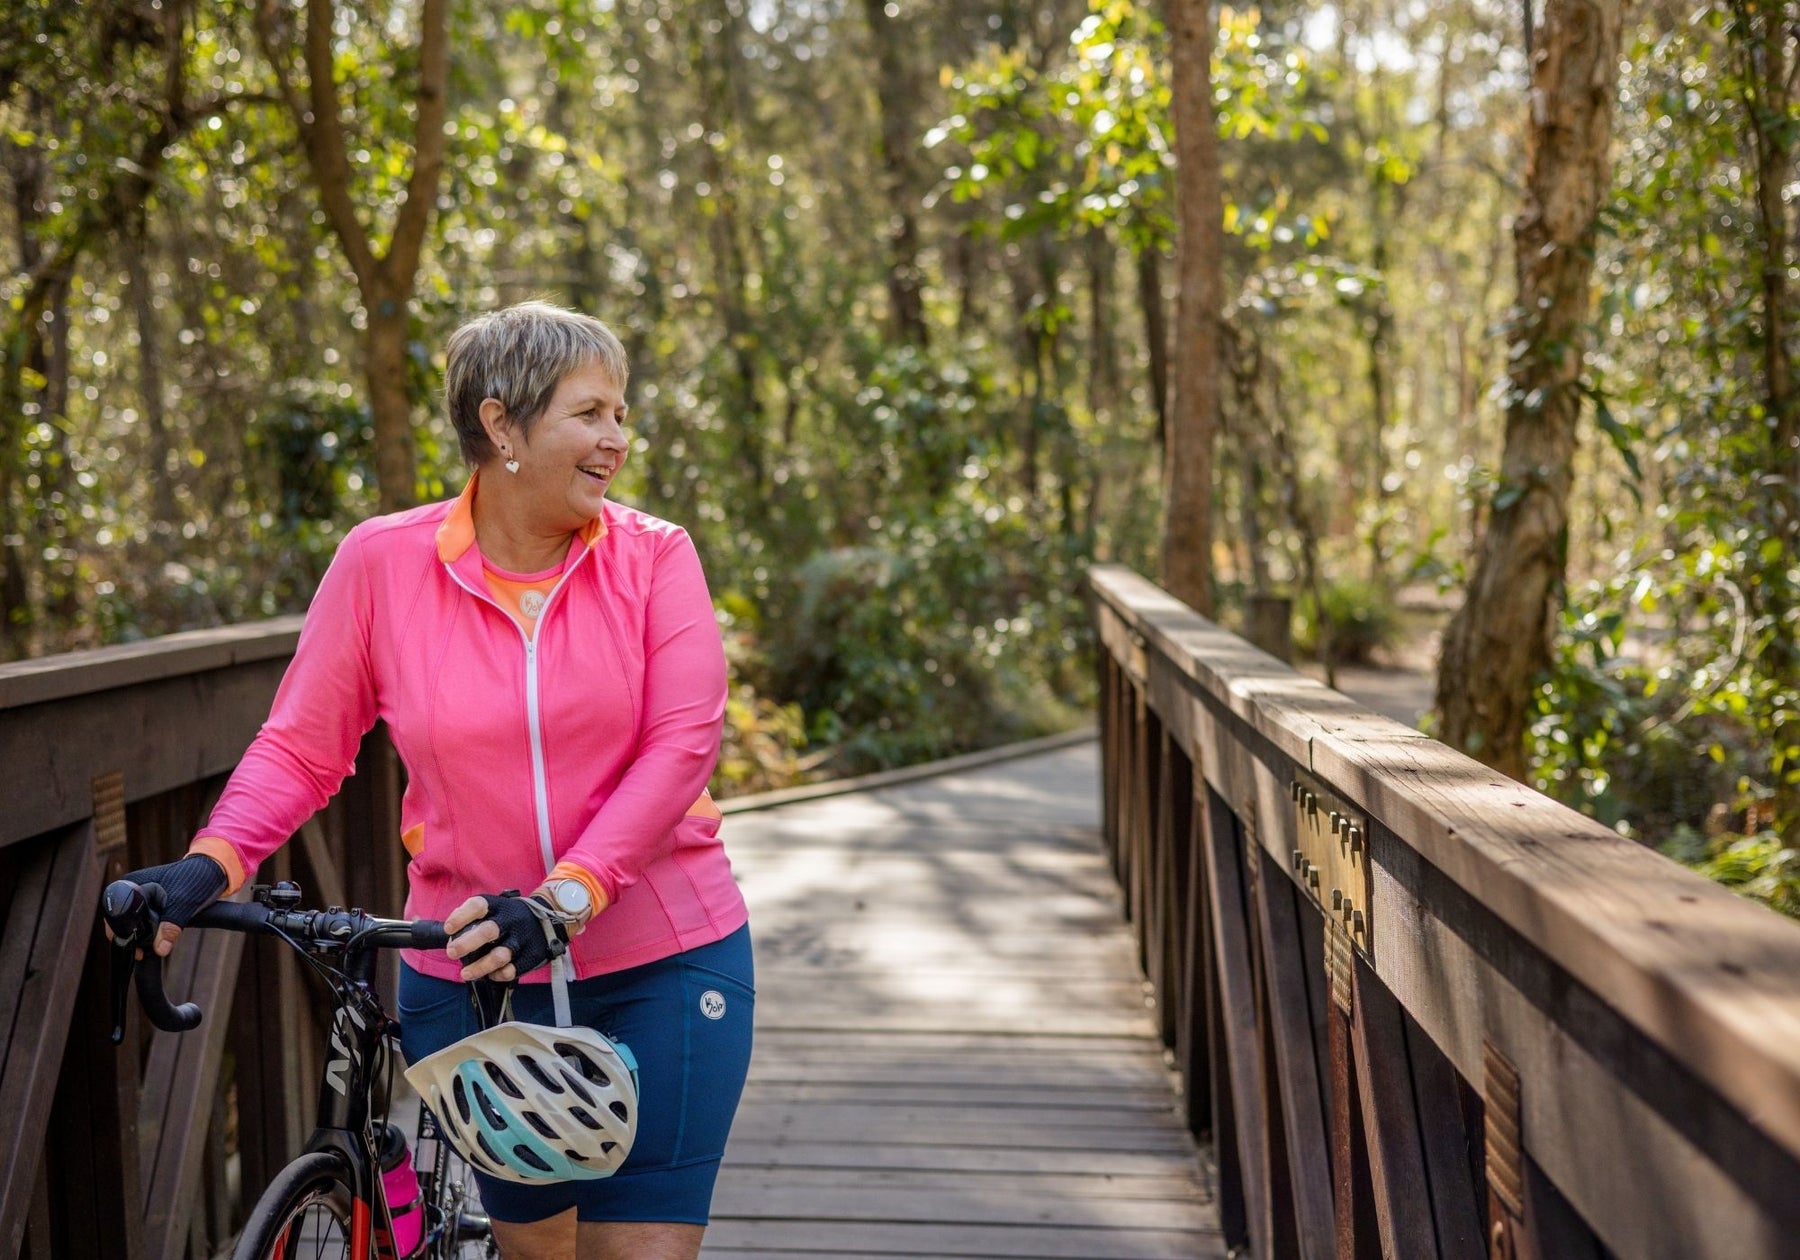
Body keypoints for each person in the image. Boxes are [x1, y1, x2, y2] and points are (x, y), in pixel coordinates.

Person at [116, 301, 754, 1260]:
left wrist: (565, 897)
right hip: (475, 973)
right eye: (591, 413)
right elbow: (300, 746)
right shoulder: (382, 563)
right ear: (502, 425)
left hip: (663, 959)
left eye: (621, 414)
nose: (617, 439)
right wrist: (209, 866)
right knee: (540, 1252)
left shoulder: (656, 558)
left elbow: (680, 748)